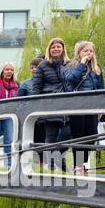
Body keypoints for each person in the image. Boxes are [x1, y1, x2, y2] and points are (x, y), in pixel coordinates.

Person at [64, 40, 105, 176]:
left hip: (92, 106)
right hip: (77, 106)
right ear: (79, 52)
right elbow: (71, 80)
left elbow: (101, 88)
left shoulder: (97, 68)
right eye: (86, 51)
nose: (89, 53)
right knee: (79, 135)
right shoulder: (71, 65)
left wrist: (101, 106)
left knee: (92, 134)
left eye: (91, 51)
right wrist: (82, 64)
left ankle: (83, 163)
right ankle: (78, 165)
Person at [33, 38, 70, 174]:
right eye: (53, 47)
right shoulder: (43, 66)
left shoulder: (69, 64)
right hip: (50, 104)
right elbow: (36, 87)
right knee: (51, 135)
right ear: (49, 49)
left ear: (63, 49)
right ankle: (52, 166)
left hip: (66, 105)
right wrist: (37, 107)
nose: (56, 49)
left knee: (67, 134)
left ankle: (58, 159)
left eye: (58, 47)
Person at [0, 63, 19, 167]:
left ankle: (8, 164)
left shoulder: (16, 85)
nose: (9, 72)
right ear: (2, 71)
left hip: (10, 116)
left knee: (9, 140)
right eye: (7, 69)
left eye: (11, 70)